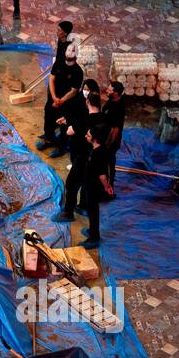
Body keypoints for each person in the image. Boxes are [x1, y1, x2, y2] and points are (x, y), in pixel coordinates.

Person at [53, 90, 102, 222]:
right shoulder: (103, 118)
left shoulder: (86, 119)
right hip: (96, 158)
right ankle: (83, 206)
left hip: (83, 156)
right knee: (87, 184)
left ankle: (68, 212)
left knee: (72, 183)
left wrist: (71, 124)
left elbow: (70, 131)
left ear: (87, 102)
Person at [37, 41, 82, 158]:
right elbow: (51, 79)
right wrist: (54, 97)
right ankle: (49, 139)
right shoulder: (59, 63)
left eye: (72, 54)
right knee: (48, 118)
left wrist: (61, 100)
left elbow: (74, 91)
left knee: (64, 125)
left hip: (67, 103)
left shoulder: (78, 71)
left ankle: (61, 147)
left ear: (76, 56)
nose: (68, 56)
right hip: (54, 98)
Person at [80, 125, 112, 248]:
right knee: (90, 209)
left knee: (93, 211)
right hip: (90, 184)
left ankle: (94, 237)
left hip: (94, 187)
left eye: (88, 135)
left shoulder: (98, 153)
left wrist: (106, 187)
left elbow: (102, 175)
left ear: (95, 139)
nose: (86, 136)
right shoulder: (98, 149)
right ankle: (92, 230)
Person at [101, 81, 126, 193]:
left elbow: (115, 130)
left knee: (109, 161)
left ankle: (109, 187)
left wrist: (107, 145)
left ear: (115, 93)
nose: (107, 91)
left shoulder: (117, 108)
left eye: (110, 90)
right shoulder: (112, 101)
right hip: (105, 136)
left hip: (111, 141)